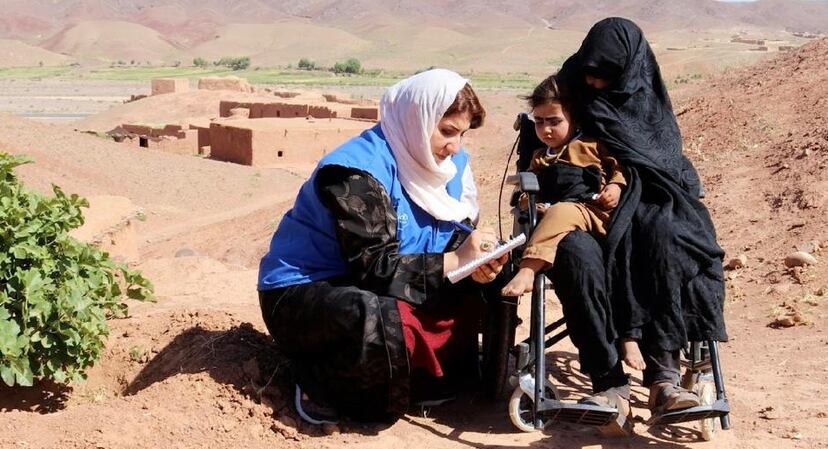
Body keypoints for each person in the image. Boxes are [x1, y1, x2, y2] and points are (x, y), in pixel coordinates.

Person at [257, 69, 507, 425]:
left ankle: (426, 380)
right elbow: (375, 270)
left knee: (482, 285)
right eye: (447, 131)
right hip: (306, 292)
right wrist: (456, 258)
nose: (456, 146)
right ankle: (322, 385)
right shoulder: (354, 173)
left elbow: (450, 236)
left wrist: (477, 256)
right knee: (372, 315)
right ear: (417, 119)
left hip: (387, 277)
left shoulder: (448, 165)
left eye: (462, 134)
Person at [549, 17, 728, 431]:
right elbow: (548, 148)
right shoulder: (568, 88)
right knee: (578, 255)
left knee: (665, 237)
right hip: (586, 206)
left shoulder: (649, 103)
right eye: (591, 74)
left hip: (646, 202)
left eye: (606, 76)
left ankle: (664, 379)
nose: (594, 84)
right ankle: (608, 382)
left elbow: (666, 162)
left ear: (629, 69)